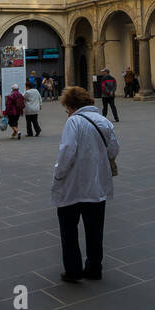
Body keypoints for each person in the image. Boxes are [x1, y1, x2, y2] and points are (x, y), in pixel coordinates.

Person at [52, 85, 120, 283]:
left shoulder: (74, 122)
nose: (67, 113)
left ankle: (73, 270)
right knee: (95, 230)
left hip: (73, 186)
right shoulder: (104, 121)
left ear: (72, 106)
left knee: (69, 230)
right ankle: (94, 268)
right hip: (97, 185)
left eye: (67, 109)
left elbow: (67, 152)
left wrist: (58, 174)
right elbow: (114, 149)